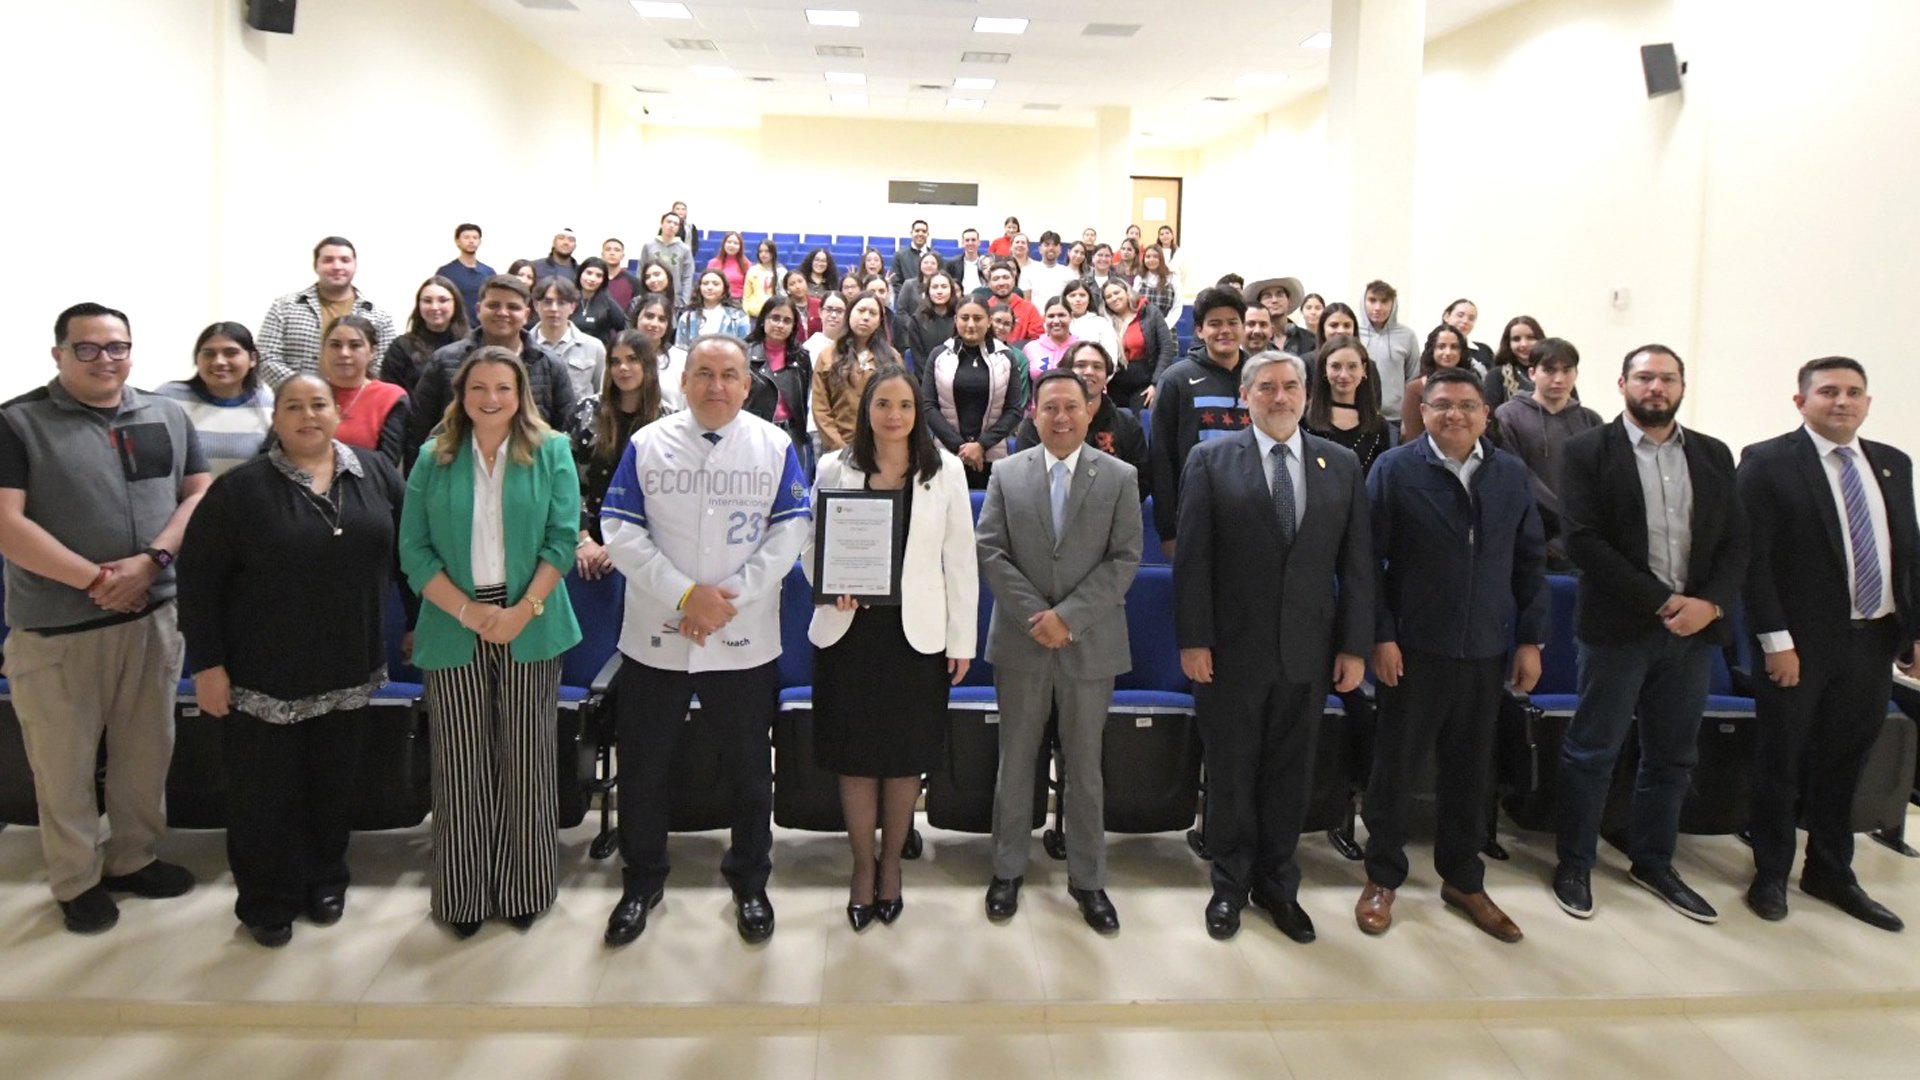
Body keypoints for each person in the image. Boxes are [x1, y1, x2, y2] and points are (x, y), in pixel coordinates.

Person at [0, 302, 211, 934]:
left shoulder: (165, 415)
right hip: (58, 629)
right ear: (58, 354)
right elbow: (8, 525)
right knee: (62, 767)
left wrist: (152, 562)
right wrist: (96, 581)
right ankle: (76, 879)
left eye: (116, 346)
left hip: (152, 617)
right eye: (86, 348)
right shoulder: (18, 422)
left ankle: (133, 858)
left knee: (145, 754)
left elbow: (198, 493)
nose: (104, 359)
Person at [177, 373, 405, 948]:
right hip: (264, 671)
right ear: (275, 419)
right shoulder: (240, 490)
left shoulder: (375, 472)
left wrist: (419, 621)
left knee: (333, 783)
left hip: (349, 663)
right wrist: (208, 664)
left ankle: (325, 880)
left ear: (337, 413)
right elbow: (198, 581)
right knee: (264, 793)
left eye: (318, 404)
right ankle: (267, 900)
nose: (308, 415)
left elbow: (408, 550)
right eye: (293, 407)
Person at [599, 335, 811, 946]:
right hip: (657, 634)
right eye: (704, 374)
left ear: (747, 385)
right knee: (645, 768)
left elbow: (790, 531)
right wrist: (686, 596)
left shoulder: (774, 445)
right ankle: (642, 880)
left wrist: (723, 601)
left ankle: (750, 879)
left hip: (742, 634)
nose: (716, 385)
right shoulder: (648, 443)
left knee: (749, 770)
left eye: (729, 375)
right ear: (684, 381)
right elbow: (620, 529)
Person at [1174, 351, 1373, 942]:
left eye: (1290, 386)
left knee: (1291, 773)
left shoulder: (1339, 464)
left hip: (1308, 651)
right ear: (1245, 396)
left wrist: (1353, 647)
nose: (1279, 397)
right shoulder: (1211, 460)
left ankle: (1279, 885)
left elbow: (1357, 565)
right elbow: (1192, 562)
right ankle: (1229, 885)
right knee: (1233, 773)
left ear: (1307, 395)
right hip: (1230, 650)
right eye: (1266, 387)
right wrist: (1193, 640)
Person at [1552, 344, 1748, 924]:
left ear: (1682, 386)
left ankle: (1654, 861)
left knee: (1673, 756)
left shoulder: (1712, 453)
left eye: (1667, 378)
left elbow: (1736, 540)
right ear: (1622, 385)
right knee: (1594, 750)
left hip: (1692, 633)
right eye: (1644, 378)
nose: (1656, 387)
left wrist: (1709, 605)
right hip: (1618, 628)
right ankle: (1575, 863)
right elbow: (1583, 540)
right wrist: (1663, 602)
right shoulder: (1586, 450)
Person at [1357, 367, 1547, 944]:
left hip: (1486, 648)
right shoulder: (1395, 469)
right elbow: (1367, 562)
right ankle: (1382, 877)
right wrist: (1381, 635)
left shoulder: (1509, 473)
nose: (1454, 415)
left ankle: (1464, 880)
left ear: (1486, 413)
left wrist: (1531, 640)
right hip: (1413, 648)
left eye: (1467, 405)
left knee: (1471, 772)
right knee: (1395, 769)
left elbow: (1530, 561)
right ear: (1424, 411)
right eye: (1441, 405)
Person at [399, 346, 582, 938]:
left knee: (526, 761)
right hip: (453, 618)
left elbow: (562, 540)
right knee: (459, 765)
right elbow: (413, 550)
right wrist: (467, 610)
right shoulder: (434, 455)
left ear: (521, 393)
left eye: (503, 387)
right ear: (461, 394)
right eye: (478, 387)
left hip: (531, 620)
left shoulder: (551, 450)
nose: (491, 398)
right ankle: (463, 895)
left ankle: (524, 887)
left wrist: (522, 611)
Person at [1739, 357, 1918, 932]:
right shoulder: (1767, 462)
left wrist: (1913, 632)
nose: (1842, 401)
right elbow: (1754, 562)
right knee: (1782, 761)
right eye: (1829, 391)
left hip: (1873, 640)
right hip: (1798, 645)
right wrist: (1775, 642)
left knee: (1847, 761)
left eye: (1854, 392)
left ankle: (1831, 871)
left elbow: (1907, 553)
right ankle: (1770, 872)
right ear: (1801, 401)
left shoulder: (1892, 464)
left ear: (1867, 403)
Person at [808, 365, 976, 929]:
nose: (894, 415)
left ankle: (892, 868)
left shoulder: (945, 471)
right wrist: (829, 583)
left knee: (904, 759)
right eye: (883, 404)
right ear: (867, 410)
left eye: (905, 405)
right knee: (855, 758)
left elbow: (961, 560)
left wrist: (961, 640)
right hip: (849, 633)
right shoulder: (835, 466)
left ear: (917, 412)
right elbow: (811, 543)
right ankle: (862, 866)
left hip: (916, 638)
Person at [978, 368, 1142, 934]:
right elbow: (990, 549)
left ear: (1090, 410)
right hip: (1022, 642)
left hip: (1090, 644)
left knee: (1085, 768)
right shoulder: (1007, 473)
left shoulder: (1120, 476)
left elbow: (1125, 558)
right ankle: (1007, 870)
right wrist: (1039, 618)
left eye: (1072, 406)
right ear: (1034, 413)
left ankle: (1088, 879)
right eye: (1050, 407)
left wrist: (1067, 618)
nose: (1062, 417)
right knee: (1015, 760)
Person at [405, 275, 578, 469]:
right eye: (494, 305)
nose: (502, 313)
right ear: (478, 310)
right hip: (456, 471)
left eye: (513, 307)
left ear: (527, 314)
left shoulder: (550, 365)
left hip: (530, 471)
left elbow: (566, 431)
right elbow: (418, 428)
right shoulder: (444, 361)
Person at [1148, 286, 1249, 557]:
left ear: (1243, 327)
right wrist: (1168, 530)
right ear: (1199, 330)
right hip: (1195, 517)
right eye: (1215, 324)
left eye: (1233, 322)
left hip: (1255, 519)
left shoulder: (1261, 376)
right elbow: (1161, 458)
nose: (1225, 330)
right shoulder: (1176, 379)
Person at [1493, 337, 1602, 570]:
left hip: (1581, 536)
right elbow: (1516, 475)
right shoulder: (1507, 416)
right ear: (1532, 373)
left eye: (1567, 370)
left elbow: (1600, 481)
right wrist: (1563, 515)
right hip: (1528, 533)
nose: (1559, 379)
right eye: (1550, 370)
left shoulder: (1590, 420)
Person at [570, 330, 667, 581]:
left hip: (645, 548)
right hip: (584, 544)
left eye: (632, 359)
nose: (623, 368)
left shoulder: (668, 421)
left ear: (648, 364)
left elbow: (668, 497)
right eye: (615, 361)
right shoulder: (585, 411)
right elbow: (565, 481)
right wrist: (583, 539)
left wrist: (621, 546)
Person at [257, 236, 397, 388]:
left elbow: (384, 366)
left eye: (345, 260)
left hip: (360, 399)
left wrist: (358, 391)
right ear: (315, 265)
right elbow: (266, 358)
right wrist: (308, 390)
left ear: (355, 266)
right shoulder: (284, 308)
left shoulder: (379, 317)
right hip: (297, 399)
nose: (337, 266)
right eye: (328, 260)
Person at [921, 296, 1028, 489]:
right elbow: (928, 406)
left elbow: (1014, 410)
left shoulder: (1006, 357)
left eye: (978, 318)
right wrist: (960, 447)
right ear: (956, 320)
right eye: (965, 318)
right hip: (947, 455)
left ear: (989, 321)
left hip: (993, 456)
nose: (971, 324)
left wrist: (981, 445)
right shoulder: (938, 355)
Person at [1017, 342, 1148, 499]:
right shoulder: (1037, 423)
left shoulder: (1127, 424)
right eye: (1080, 365)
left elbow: (1141, 481)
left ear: (1107, 376)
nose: (1089, 372)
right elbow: (1025, 477)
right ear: (1067, 371)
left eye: (1097, 367)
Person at [154, 322, 276, 478]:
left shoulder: (268, 403)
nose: (219, 361)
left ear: (252, 359)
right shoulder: (169, 398)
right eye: (209, 353)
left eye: (231, 353)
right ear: (197, 359)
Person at [318, 315, 408, 468]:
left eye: (355, 346)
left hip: (366, 481)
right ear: (323, 350)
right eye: (335, 345)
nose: (344, 353)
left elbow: (386, 464)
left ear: (372, 352)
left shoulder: (390, 397)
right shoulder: (306, 393)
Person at [814, 293, 898, 454]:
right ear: (849, 314)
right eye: (861, 310)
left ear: (880, 320)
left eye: (872, 313)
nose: (866, 317)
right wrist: (840, 448)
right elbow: (821, 408)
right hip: (838, 449)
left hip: (883, 449)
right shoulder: (827, 356)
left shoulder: (892, 357)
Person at [1303, 335, 1391, 476]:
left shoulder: (1378, 425)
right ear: (1324, 369)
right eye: (1335, 366)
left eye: (1352, 366)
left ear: (1364, 369)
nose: (1344, 375)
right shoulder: (1304, 419)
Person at [380, 276, 470, 395]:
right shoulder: (401, 347)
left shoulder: (471, 343)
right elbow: (391, 393)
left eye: (443, 300)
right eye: (427, 301)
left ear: (456, 304)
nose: (434, 307)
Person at [744, 296, 811, 454]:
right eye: (775, 318)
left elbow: (804, 401)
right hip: (753, 435)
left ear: (793, 326)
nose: (780, 325)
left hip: (791, 436)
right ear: (763, 320)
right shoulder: (744, 353)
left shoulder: (801, 357)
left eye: (787, 321)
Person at [1101, 280, 1176, 410]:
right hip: (1113, 383)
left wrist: (1156, 384)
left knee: (1141, 418)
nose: (1114, 298)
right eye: (1108, 296)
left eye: (1117, 293)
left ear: (1127, 292)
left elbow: (1166, 348)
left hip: (1145, 382)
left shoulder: (1150, 312)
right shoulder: (1103, 321)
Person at [533, 275, 609, 403]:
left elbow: (602, 394)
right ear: (536, 305)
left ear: (572, 307)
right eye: (547, 302)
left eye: (561, 303)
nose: (554, 309)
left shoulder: (594, 347)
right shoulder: (523, 345)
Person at [1356, 280, 1418, 428]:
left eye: (1384, 301)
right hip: (1357, 414)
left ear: (1393, 304)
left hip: (1394, 419)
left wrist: (1408, 418)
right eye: (1372, 300)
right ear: (1363, 301)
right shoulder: (1353, 333)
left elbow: (1412, 379)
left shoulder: (1407, 336)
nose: (1378, 307)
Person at [1399, 324, 1472, 443]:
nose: (1448, 352)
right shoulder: (1416, 388)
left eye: (1454, 347)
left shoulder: (1472, 387)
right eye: (1441, 346)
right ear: (1432, 350)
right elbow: (1413, 436)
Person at [631, 294, 689, 414]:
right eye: (649, 316)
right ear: (637, 317)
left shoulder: (681, 359)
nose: (654, 324)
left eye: (662, 319)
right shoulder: (620, 355)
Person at [1246, 276, 1318, 359]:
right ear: (1259, 303)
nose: (1274, 300)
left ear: (1289, 301)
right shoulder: (1252, 339)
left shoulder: (1310, 339)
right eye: (1267, 296)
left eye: (1279, 295)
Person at [1484, 315, 1544, 411]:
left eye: (1530, 338)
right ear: (1508, 343)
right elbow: (1490, 416)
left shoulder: (1555, 373)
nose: (1524, 344)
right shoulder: (1496, 375)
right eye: (1516, 339)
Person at [674, 269, 752, 343]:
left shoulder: (738, 316)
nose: (710, 288)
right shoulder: (687, 317)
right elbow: (680, 348)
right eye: (705, 284)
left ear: (724, 288)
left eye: (715, 284)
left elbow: (745, 346)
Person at [437, 223, 496, 317]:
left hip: (483, 323)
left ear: (480, 241)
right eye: (466, 237)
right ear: (457, 241)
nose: (471, 241)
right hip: (456, 323)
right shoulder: (446, 272)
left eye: (475, 238)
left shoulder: (489, 272)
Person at [639, 213, 695, 305]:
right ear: (661, 224)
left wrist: (685, 300)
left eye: (676, 224)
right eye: (669, 222)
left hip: (674, 299)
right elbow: (641, 272)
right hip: (651, 296)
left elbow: (687, 277)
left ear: (678, 228)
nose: (672, 225)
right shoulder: (648, 247)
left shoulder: (685, 249)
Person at [907, 271, 959, 371]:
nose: (939, 291)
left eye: (944, 287)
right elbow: (918, 358)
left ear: (951, 290)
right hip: (926, 375)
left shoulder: (960, 317)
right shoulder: (917, 320)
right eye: (935, 287)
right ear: (928, 291)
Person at [1022, 297, 1079, 388]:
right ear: (1044, 318)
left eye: (1061, 315)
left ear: (1071, 316)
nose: (1056, 321)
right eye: (1051, 316)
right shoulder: (1030, 348)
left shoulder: (1081, 348)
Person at [572, 257, 629, 348]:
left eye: (598, 276)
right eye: (589, 273)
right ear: (580, 274)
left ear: (603, 280)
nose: (592, 279)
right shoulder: (568, 299)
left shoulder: (608, 303)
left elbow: (626, 329)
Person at [984, 260, 1043, 345]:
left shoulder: (1029, 309)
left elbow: (1038, 341)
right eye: (996, 279)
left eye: (1006, 277)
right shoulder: (984, 309)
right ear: (989, 283)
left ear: (1014, 280)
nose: (1001, 283)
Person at [1061, 278, 1119, 363]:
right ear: (1065, 299)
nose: (1078, 299)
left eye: (1082, 295)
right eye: (1072, 295)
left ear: (1089, 299)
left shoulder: (1101, 323)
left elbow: (1111, 355)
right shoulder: (1059, 322)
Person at [1021, 231, 1076, 308]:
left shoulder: (1068, 273)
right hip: (1035, 315)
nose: (1051, 248)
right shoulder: (1027, 271)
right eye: (1047, 245)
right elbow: (1026, 302)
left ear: (1060, 249)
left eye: (1055, 245)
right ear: (1040, 249)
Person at [1443, 298, 1495, 374]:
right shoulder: (1434, 349)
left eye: (1471, 318)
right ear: (1446, 316)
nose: (1465, 321)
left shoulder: (1484, 351)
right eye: (1460, 315)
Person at [625, 260, 679, 327]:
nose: (652, 280)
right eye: (647, 277)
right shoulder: (636, 303)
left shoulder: (677, 304)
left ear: (668, 276)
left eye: (657, 274)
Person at [894, 250, 944, 318]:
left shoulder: (942, 286)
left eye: (933, 263)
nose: (929, 265)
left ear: (938, 266)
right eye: (925, 262)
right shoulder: (909, 284)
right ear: (920, 265)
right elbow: (901, 311)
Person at [601, 237, 644, 314]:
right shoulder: (595, 279)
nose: (612, 253)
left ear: (622, 256)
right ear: (602, 254)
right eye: (608, 249)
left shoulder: (633, 282)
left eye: (617, 250)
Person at [706, 231, 751, 303]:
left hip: (739, 301)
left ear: (740, 247)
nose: (731, 245)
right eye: (729, 242)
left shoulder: (746, 264)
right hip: (717, 300)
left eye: (735, 243)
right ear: (724, 244)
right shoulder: (713, 263)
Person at [1135, 244, 1178, 318]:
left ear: (1161, 259)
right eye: (1148, 256)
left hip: (1166, 322)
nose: (1151, 260)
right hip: (1143, 322)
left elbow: (1177, 306)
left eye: (1155, 256)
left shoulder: (1172, 278)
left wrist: (1165, 324)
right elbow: (1135, 304)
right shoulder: (1139, 278)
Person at [889, 219, 935, 289]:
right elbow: (896, 283)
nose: (920, 234)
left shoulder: (935, 257)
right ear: (911, 233)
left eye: (924, 231)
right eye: (917, 231)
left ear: (927, 234)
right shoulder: (899, 256)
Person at [743, 238, 782, 317]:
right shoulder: (752, 270)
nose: (763, 254)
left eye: (767, 251)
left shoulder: (781, 271)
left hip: (773, 315)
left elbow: (783, 296)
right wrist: (746, 311)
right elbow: (746, 295)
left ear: (773, 253)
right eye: (760, 251)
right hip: (754, 314)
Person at [945, 228, 991, 295]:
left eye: (973, 240)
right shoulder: (952, 264)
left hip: (982, 297)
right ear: (962, 243)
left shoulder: (987, 263)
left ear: (979, 242)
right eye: (967, 240)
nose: (970, 243)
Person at [784, 268, 823, 338]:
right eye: (792, 284)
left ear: (806, 283)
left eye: (800, 281)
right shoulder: (784, 307)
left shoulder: (819, 304)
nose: (797, 286)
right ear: (787, 290)